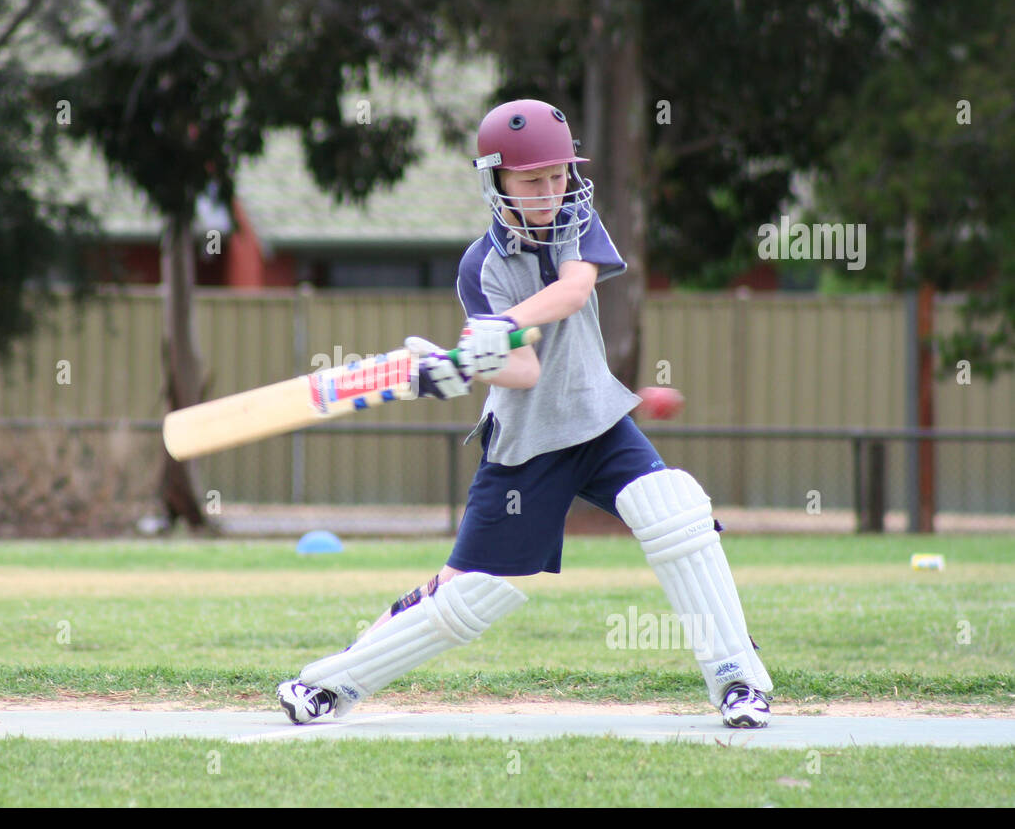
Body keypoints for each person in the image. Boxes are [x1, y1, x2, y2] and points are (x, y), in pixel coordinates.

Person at [277, 99, 773, 728]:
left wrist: (495, 331)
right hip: (527, 443)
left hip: (598, 420)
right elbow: (524, 372)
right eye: (532, 179)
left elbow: (573, 291)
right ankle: (330, 683)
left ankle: (737, 679)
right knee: (464, 590)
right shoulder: (479, 268)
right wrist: (462, 366)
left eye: (559, 175)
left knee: (673, 511)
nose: (549, 190)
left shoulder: (577, 222)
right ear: (496, 181)